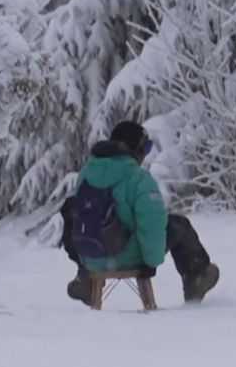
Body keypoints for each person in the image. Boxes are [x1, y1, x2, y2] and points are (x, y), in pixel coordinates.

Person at [61, 121, 220, 305]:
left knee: (74, 208)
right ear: (136, 149)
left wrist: (87, 261)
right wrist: (149, 263)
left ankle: (85, 278)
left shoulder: (86, 175)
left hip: (89, 259)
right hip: (127, 255)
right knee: (179, 224)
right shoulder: (138, 178)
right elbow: (152, 225)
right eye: (146, 148)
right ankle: (196, 277)